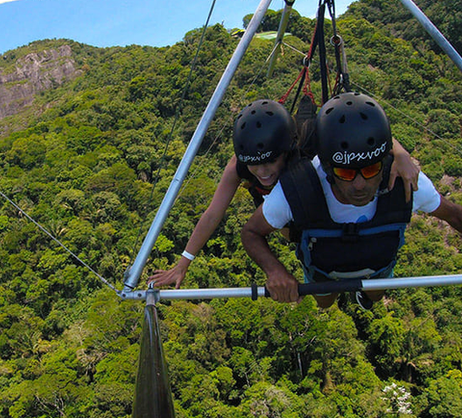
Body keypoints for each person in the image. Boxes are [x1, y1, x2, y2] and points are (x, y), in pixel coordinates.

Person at [241, 91, 462, 308]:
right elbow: (251, 232)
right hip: (323, 269)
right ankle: (332, 298)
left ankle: (366, 299)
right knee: (324, 301)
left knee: (374, 294)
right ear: (328, 166)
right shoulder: (298, 188)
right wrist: (276, 270)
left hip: (377, 267)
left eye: (370, 169)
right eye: (346, 173)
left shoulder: (402, 181)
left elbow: (457, 216)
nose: (360, 184)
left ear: (383, 161)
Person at [150, 97, 421, 288]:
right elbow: (213, 214)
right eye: (254, 164)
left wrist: (399, 152)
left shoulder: (306, 140)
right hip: (284, 214)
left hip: (314, 203)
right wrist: (183, 262)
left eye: (271, 161)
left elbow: (360, 132)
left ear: (287, 150)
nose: (263, 171)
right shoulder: (239, 166)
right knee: (293, 236)